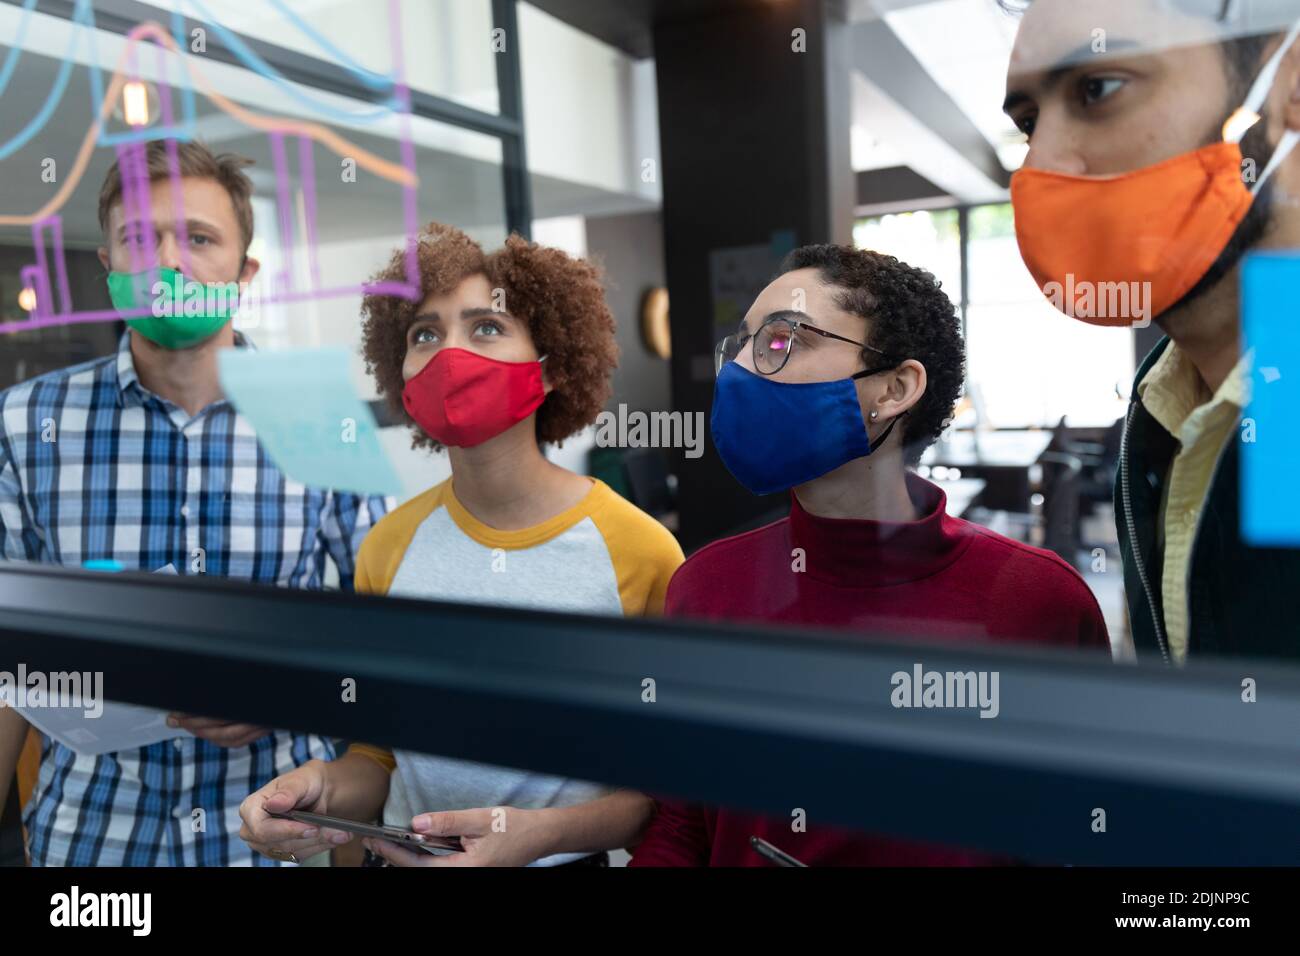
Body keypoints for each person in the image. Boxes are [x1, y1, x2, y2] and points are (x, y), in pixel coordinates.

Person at [629, 243, 1109, 866]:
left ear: (896, 387)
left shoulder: (1035, 601)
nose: (740, 370)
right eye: (742, 345)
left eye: (781, 341)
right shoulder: (706, 585)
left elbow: (1085, 830)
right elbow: (684, 825)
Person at [238, 222, 684, 867]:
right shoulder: (387, 546)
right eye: (425, 333)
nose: (450, 353)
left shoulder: (640, 551)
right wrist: (318, 789)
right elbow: (380, 755)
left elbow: (662, 796)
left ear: (551, 368)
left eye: (486, 327)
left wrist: (538, 836)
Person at [0, 139, 387, 866]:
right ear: (108, 267)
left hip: (274, 840)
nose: (169, 263)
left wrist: (282, 689)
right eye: (140, 240)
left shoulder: (320, 415)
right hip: (93, 846)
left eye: (200, 239)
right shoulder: (23, 423)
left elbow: (381, 633)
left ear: (245, 273)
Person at [1002, 0, 1300, 663]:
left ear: (1290, 87)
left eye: (1097, 88)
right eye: (1028, 123)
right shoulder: (1162, 408)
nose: (1039, 165)